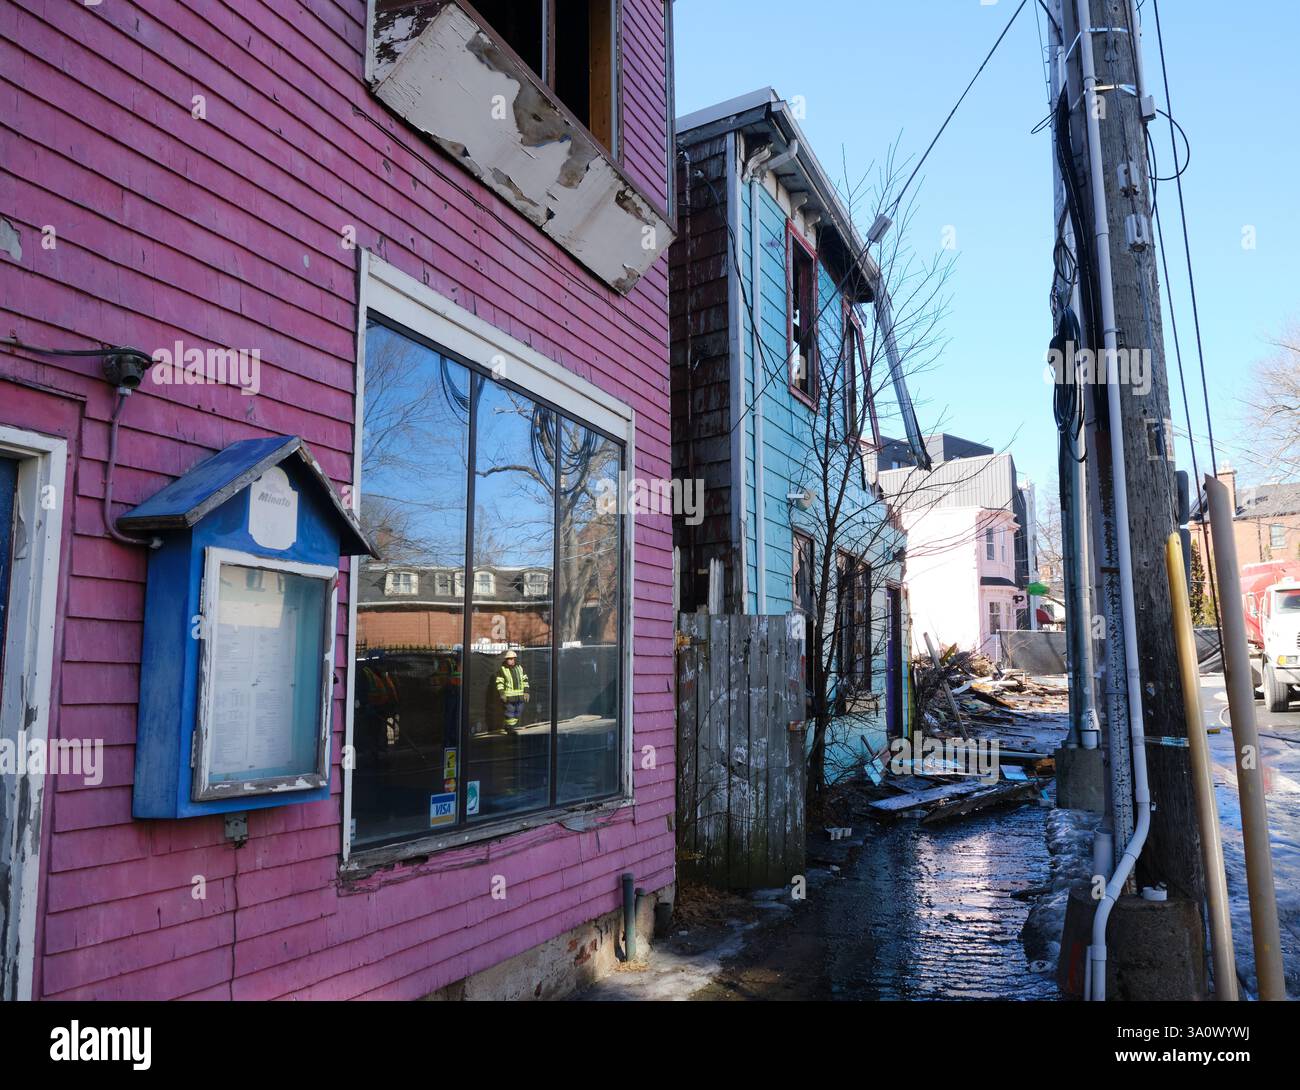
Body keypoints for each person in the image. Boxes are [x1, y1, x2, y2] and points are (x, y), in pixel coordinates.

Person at [495, 650, 529, 730]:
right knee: (510, 712)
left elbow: (525, 680)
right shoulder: (502, 670)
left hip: (520, 697)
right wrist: (502, 694)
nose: (512, 660)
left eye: (513, 658)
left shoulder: (520, 668)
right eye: (510, 659)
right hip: (509, 697)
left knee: (519, 711)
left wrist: (526, 692)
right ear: (506, 660)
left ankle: (511, 726)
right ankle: (509, 727)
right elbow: (500, 683)